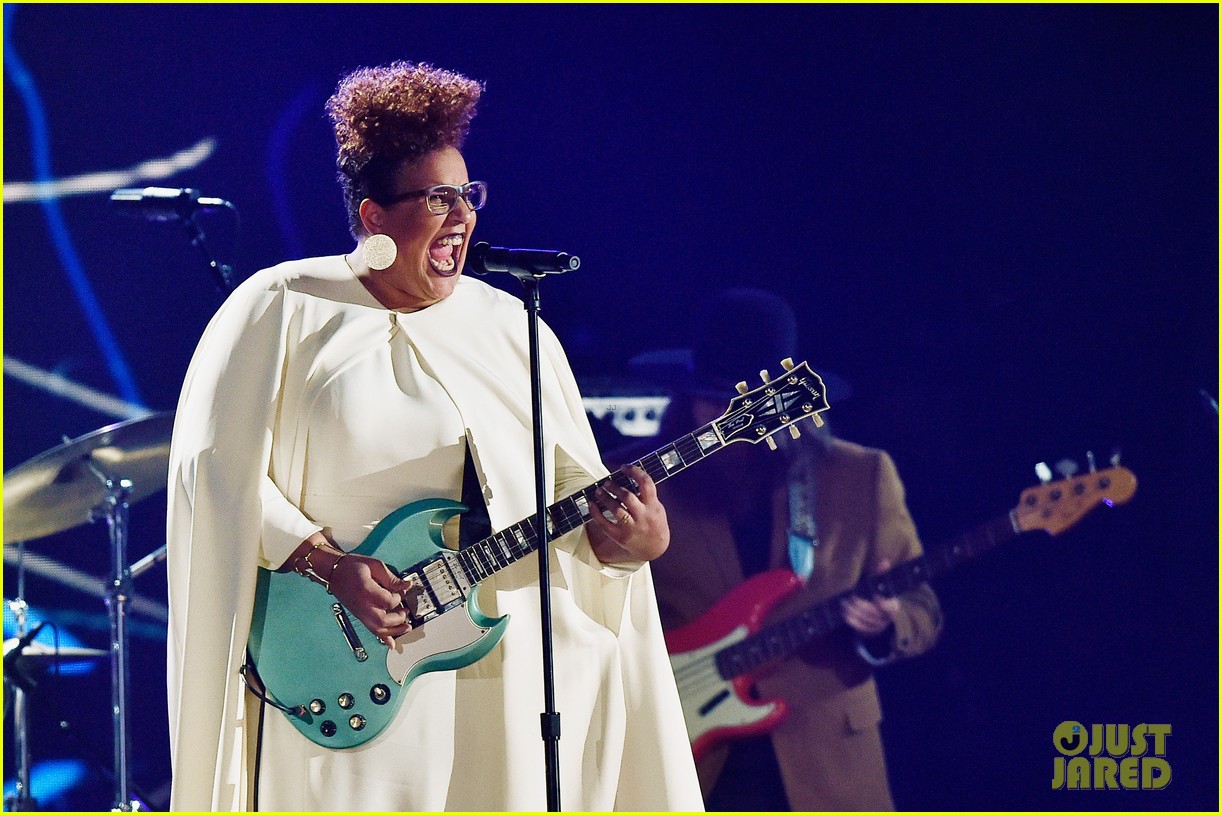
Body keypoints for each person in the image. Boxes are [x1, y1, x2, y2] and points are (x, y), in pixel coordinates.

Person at [165, 61, 703, 811]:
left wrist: (626, 543)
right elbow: (212, 473)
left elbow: (571, 493)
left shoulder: (512, 327)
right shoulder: (283, 307)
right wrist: (326, 563)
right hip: (342, 667)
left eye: (468, 194)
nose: (462, 217)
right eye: (437, 198)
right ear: (373, 214)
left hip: (505, 665)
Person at [629, 288, 943, 811]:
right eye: (715, 401)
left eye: (751, 413)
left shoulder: (861, 476)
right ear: (686, 400)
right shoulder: (637, 483)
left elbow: (923, 609)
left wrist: (890, 621)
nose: (735, 428)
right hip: (685, 758)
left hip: (828, 768)